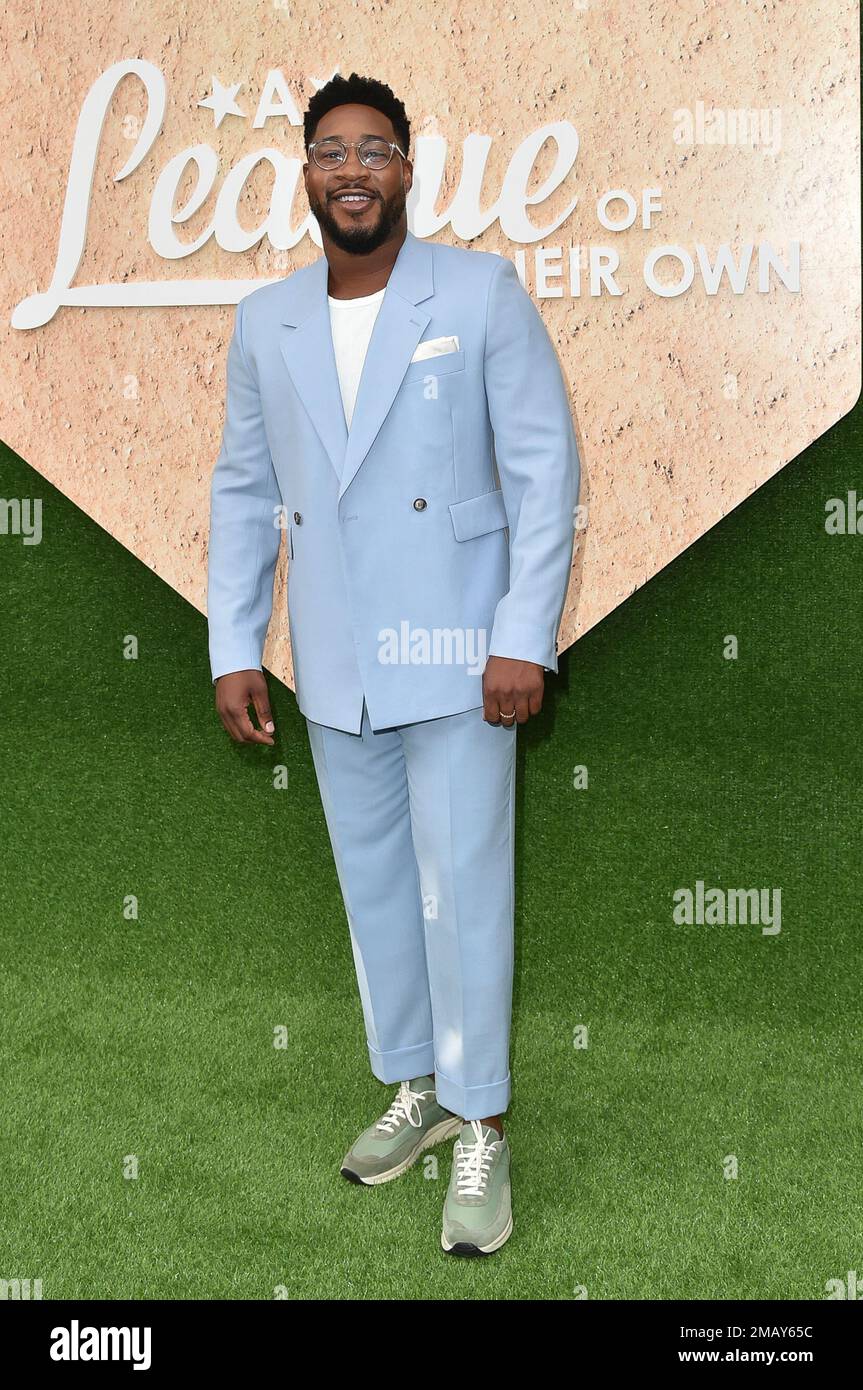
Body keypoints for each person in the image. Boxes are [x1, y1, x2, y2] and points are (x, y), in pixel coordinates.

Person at [207, 72, 580, 1256]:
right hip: (335, 662)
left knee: (462, 893)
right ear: (304, 172)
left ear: (408, 171)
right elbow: (243, 491)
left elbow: (542, 469)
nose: (352, 170)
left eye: (375, 149)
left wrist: (524, 635)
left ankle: (480, 1120)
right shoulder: (264, 317)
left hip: (467, 655)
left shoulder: (478, 291)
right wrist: (234, 646)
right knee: (378, 893)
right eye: (331, 150)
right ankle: (413, 1088)